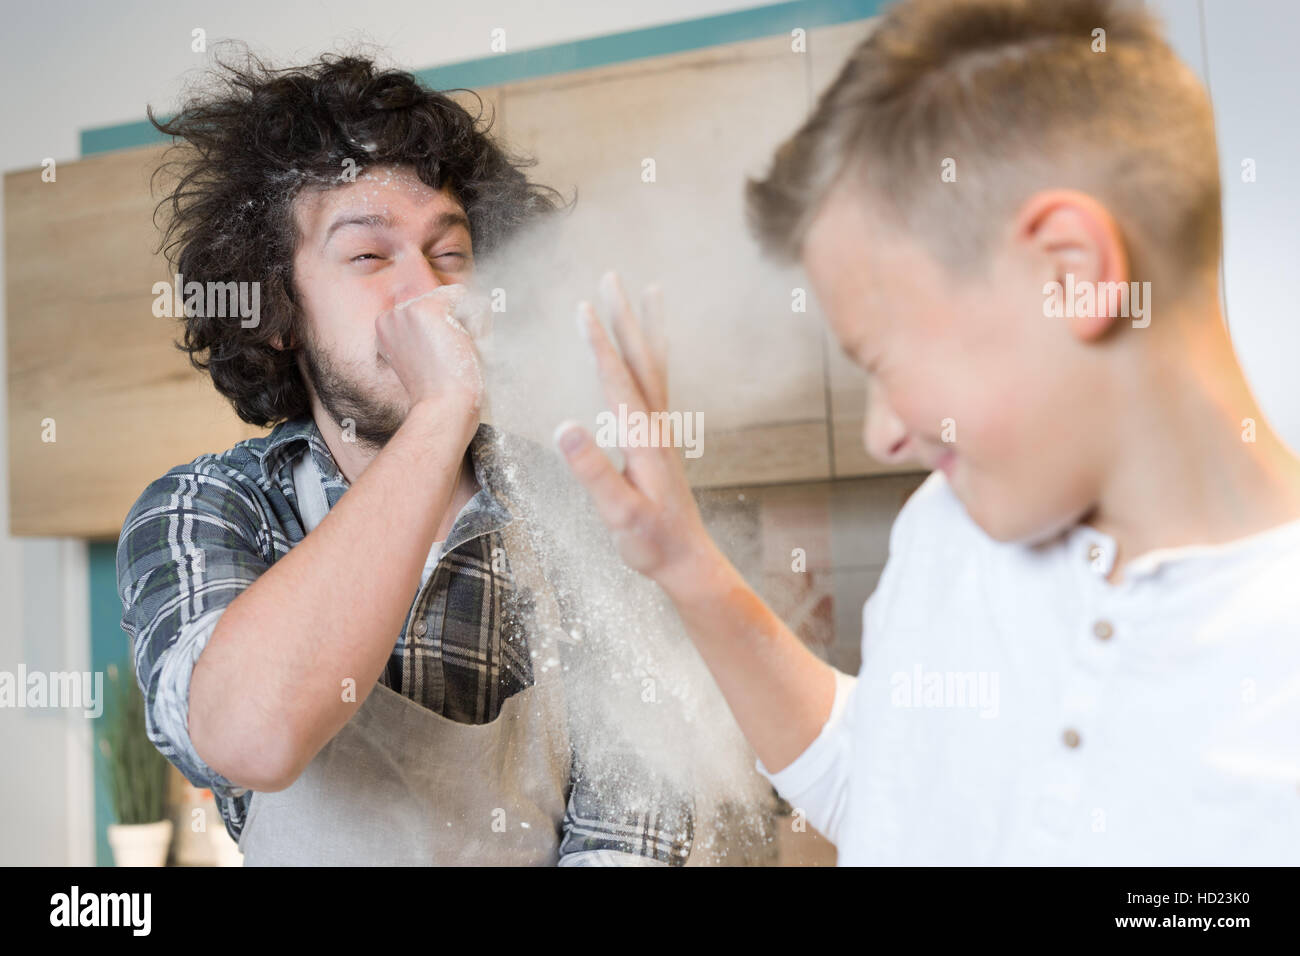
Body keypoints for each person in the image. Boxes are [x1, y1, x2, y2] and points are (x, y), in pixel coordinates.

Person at [555, 0, 1300, 864]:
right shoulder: (947, 532)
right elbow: (874, 782)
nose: (884, 435)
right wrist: (682, 557)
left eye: (882, 357)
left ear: (1072, 274)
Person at [116, 48, 692, 865]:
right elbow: (247, 737)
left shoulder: (585, 510)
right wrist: (442, 410)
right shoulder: (207, 507)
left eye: (448, 255)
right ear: (278, 314)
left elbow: (634, 835)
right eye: (369, 256)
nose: (428, 291)